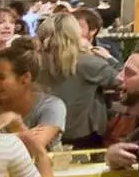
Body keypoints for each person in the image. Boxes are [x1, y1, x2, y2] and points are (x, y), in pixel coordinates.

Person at [35, 11, 118, 151]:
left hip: (46, 133)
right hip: (83, 135)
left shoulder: (36, 62)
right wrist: (110, 58)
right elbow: (123, 80)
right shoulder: (88, 62)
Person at [0, 41, 66, 150]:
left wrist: (16, 124)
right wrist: (21, 136)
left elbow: (34, 150)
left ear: (25, 79)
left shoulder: (51, 106)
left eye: (1, 77)